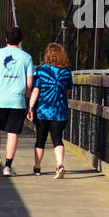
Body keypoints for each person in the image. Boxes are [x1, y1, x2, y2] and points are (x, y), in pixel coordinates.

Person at [0, 26, 34, 177]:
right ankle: (8, 167)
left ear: (6, 39)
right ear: (20, 40)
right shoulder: (27, 57)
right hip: (17, 101)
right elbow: (29, 83)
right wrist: (24, 96)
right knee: (12, 133)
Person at [27, 42, 73, 178]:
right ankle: (60, 165)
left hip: (42, 111)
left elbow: (35, 90)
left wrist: (30, 107)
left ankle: (37, 168)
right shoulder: (66, 71)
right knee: (57, 139)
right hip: (59, 111)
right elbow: (68, 90)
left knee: (40, 140)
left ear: (48, 55)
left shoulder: (41, 71)